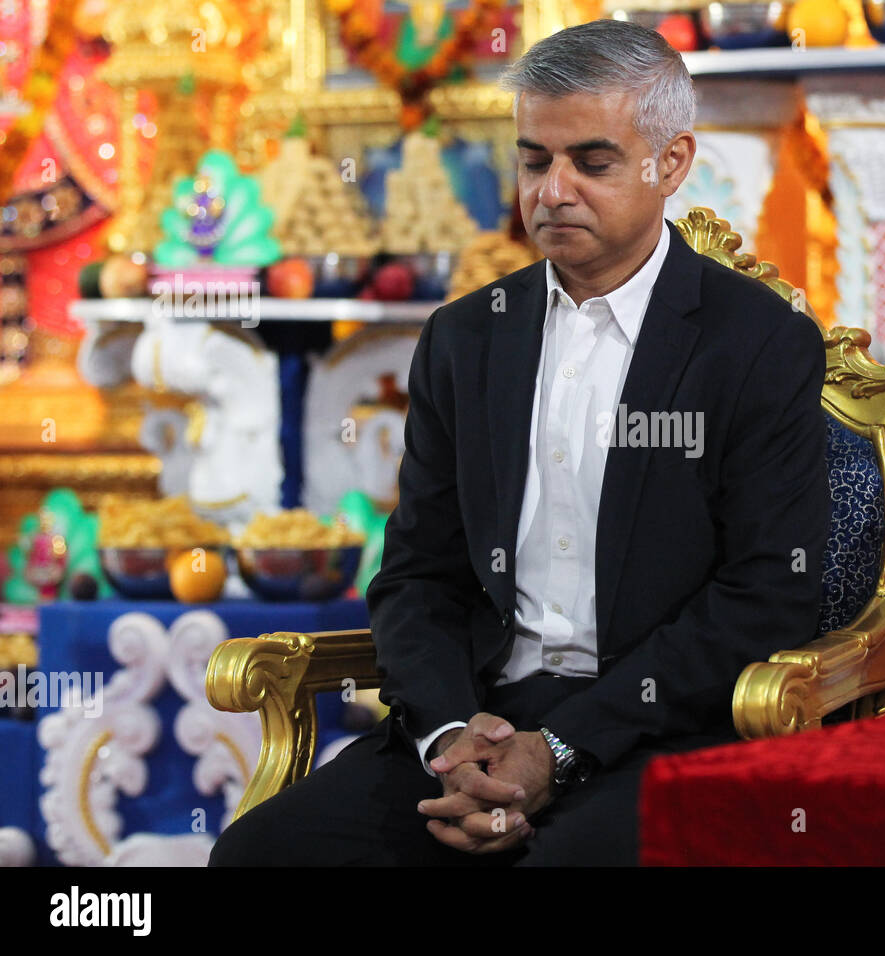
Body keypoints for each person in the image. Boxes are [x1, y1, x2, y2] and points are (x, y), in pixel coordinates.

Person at [209, 18, 829, 867]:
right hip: (479, 720)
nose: (553, 190)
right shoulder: (467, 338)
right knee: (261, 858)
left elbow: (767, 596)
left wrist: (563, 745)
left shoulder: (756, 340)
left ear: (672, 163)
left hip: (658, 727)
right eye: (535, 159)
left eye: (593, 162)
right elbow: (418, 576)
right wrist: (451, 738)